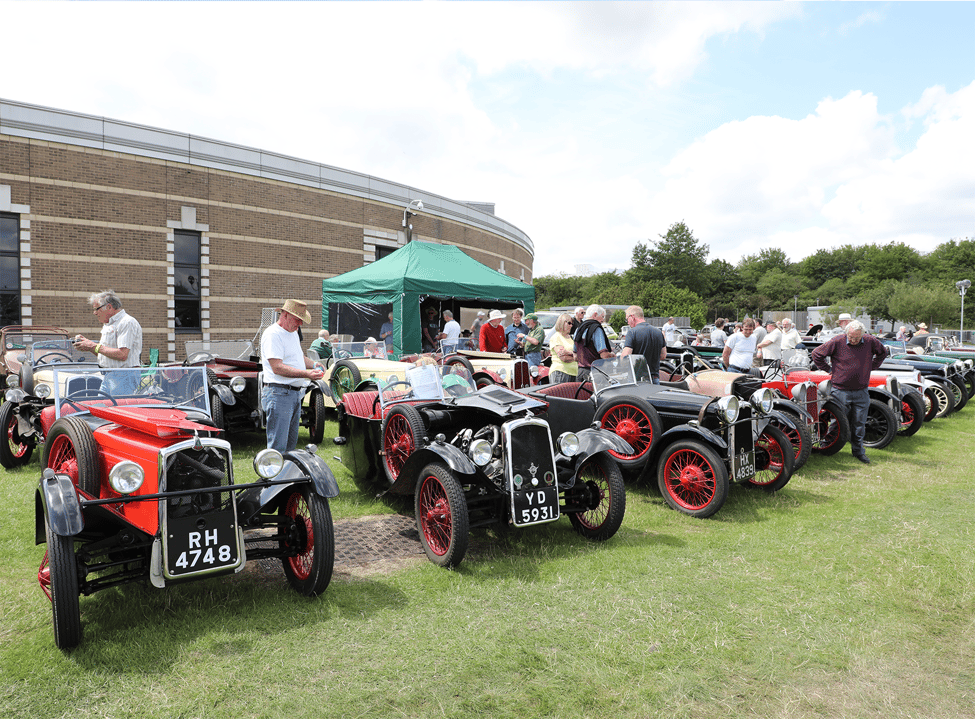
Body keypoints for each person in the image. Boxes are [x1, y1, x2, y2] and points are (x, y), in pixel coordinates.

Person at [811, 319, 886, 465]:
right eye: (851, 337)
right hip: (840, 390)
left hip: (861, 391)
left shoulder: (870, 341)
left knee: (859, 423)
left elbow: (882, 353)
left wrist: (872, 366)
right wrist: (829, 369)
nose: (853, 340)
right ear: (846, 334)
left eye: (857, 338)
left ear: (862, 335)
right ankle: (828, 447)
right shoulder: (837, 341)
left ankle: (858, 452)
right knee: (837, 422)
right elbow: (816, 354)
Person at [261, 299, 325, 452]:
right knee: (278, 448)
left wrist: (314, 364)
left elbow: (298, 357)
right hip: (279, 393)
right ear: (285, 315)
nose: (300, 324)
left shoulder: (293, 332)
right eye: (298, 319)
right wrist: (307, 374)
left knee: (290, 446)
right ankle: (274, 476)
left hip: (292, 394)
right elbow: (277, 367)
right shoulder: (273, 334)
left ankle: (286, 475)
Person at [74, 290, 143, 396]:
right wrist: (88, 346)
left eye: (97, 309)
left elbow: (122, 355)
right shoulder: (110, 324)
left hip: (124, 375)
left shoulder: (126, 322)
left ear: (109, 307)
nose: (95, 313)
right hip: (110, 376)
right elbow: (106, 353)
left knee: (116, 410)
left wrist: (93, 345)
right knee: (102, 409)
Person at [620, 306, 667, 384]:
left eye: (627, 319)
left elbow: (625, 356)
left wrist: (620, 362)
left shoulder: (632, 332)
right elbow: (663, 355)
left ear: (632, 317)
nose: (627, 322)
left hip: (637, 379)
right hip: (654, 378)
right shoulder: (658, 332)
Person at [573, 304, 615, 383]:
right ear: (595, 315)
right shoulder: (596, 329)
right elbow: (604, 355)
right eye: (602, 316)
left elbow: (575, 357)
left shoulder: (578, 329)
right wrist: (612, 355)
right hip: (595, 374)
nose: (603, 320)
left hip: (580, 373)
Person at [548, 313, 577, 384]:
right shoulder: (556, 337)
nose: (571, 326)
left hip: (574, 373)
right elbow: (564, 358)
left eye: (572, 324)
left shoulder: (571, 338)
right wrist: (576, 356)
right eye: (569, 323)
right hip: (561, 372)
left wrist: (569, 353)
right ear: (562, 323)